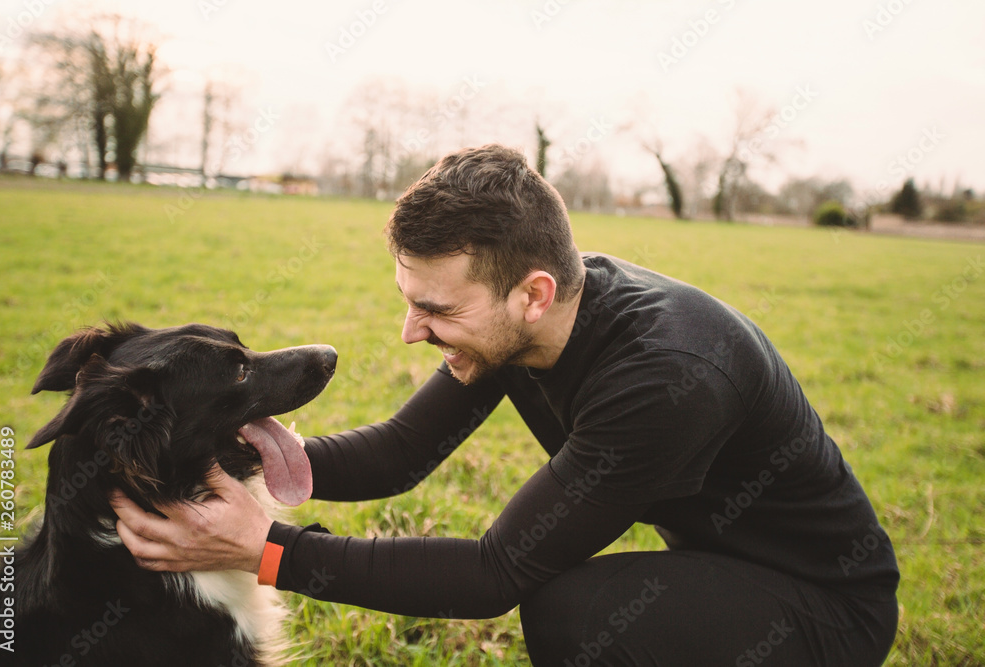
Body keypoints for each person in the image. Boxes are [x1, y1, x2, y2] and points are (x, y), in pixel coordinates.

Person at [111, 144, 899, 666]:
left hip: (827, 609)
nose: (411, 331)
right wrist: (237, 456)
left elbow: (496, 572)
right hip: (716, 566)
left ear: (533, 294)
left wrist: (267, 549)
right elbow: (400, 451)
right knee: (580, 608)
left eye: (436, 310)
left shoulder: (664, 379)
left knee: (573, 612)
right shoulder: (524, 320)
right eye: (410, 301)